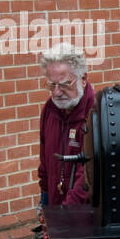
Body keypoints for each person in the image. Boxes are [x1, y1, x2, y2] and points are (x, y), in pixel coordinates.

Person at [38, 43, 95, 207]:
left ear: (83, 79)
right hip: (53, 202)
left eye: (64, 85)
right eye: (51, 85)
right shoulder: (50, 109)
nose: (56, 92)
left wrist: (65, 214)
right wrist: (44, 200)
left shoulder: (95, 115)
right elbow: (44, 160)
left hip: (81, 214)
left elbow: (87, 176)